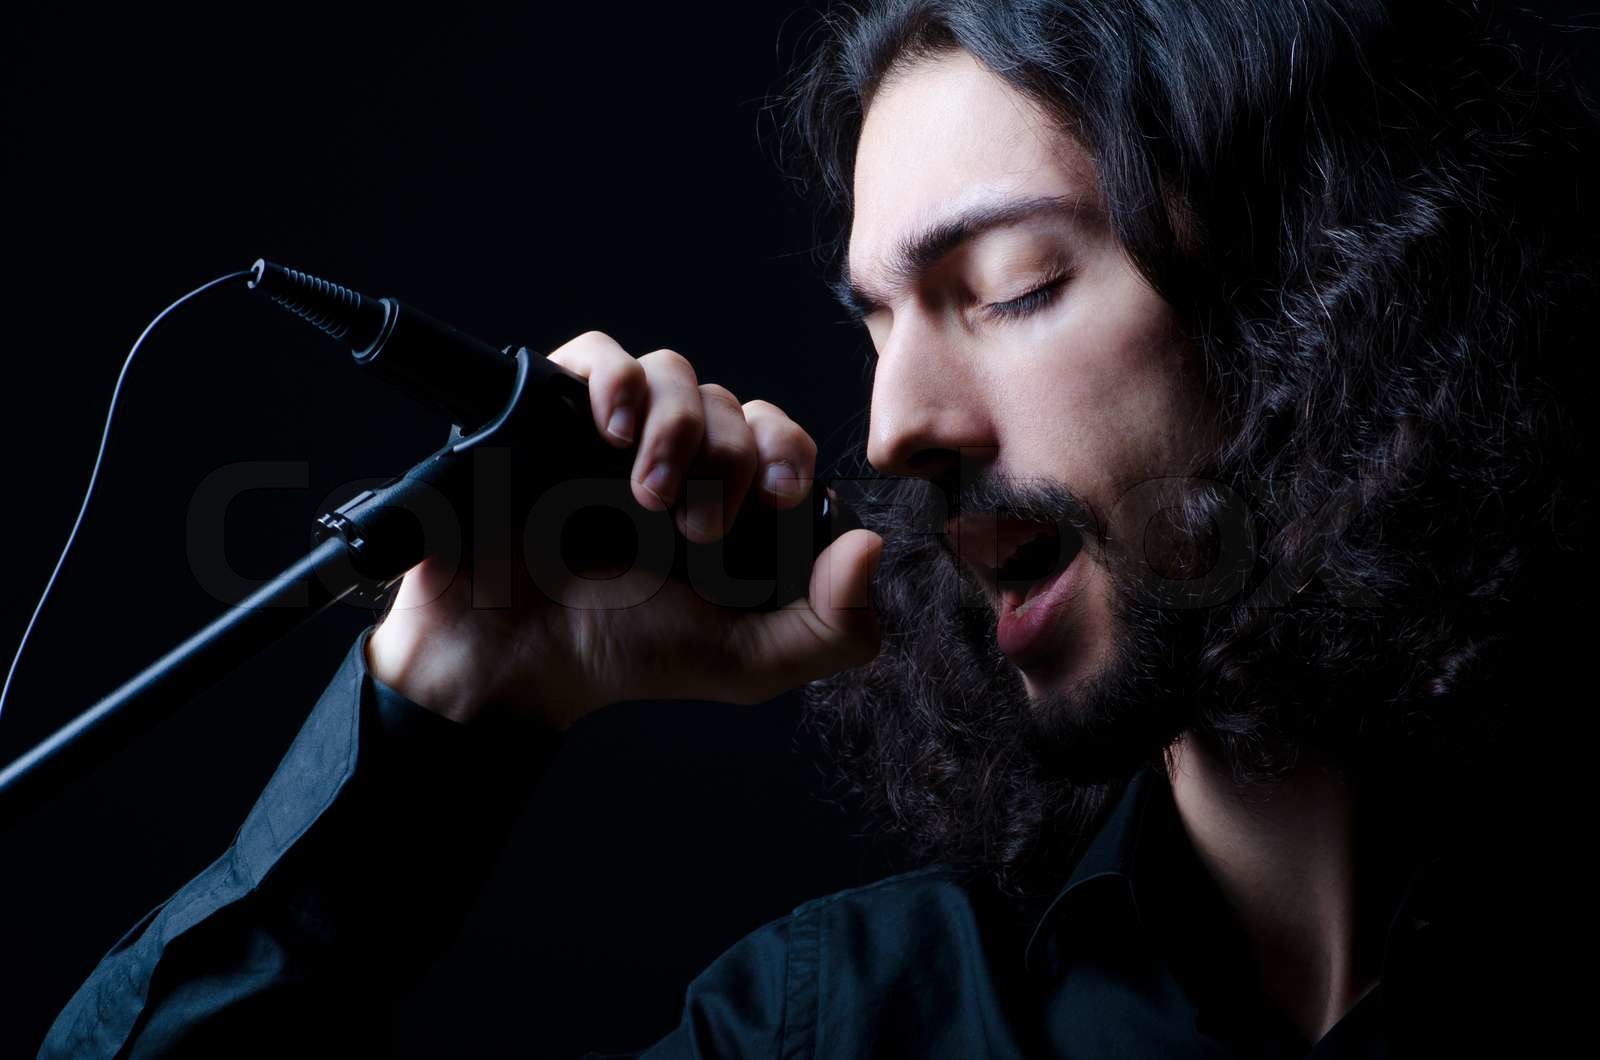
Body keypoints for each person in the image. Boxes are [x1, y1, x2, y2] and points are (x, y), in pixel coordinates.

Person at [42, 0, 1596, 1056]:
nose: (894, 428)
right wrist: (459, 694)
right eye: (874, 324)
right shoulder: (847, 1025)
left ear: (1310, 291)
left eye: (1008, 287)